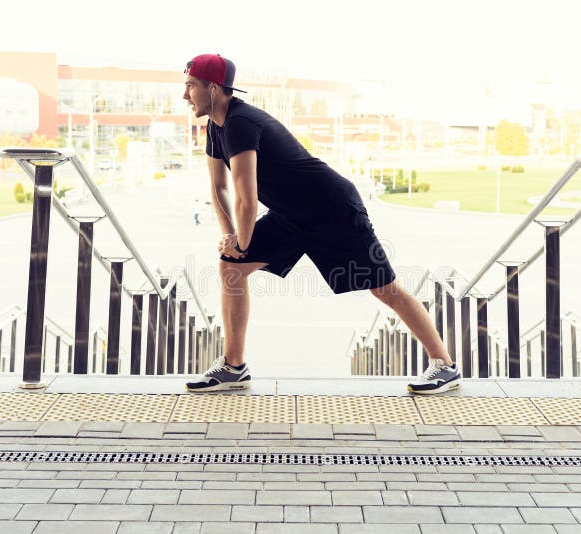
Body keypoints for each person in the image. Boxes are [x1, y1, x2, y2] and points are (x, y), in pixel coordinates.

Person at [182, 53, 460, 395]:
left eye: (190, 86)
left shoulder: (241, 123)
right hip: (290, 215)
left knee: (384, 288)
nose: (185, 95)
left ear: (213, 88)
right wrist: (230, 239)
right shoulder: (215, 125)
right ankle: (233, 367)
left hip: (333, 209)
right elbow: (218, 186)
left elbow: (246, 199)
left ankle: (444, 366)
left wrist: (240, 240)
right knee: (231, 268)